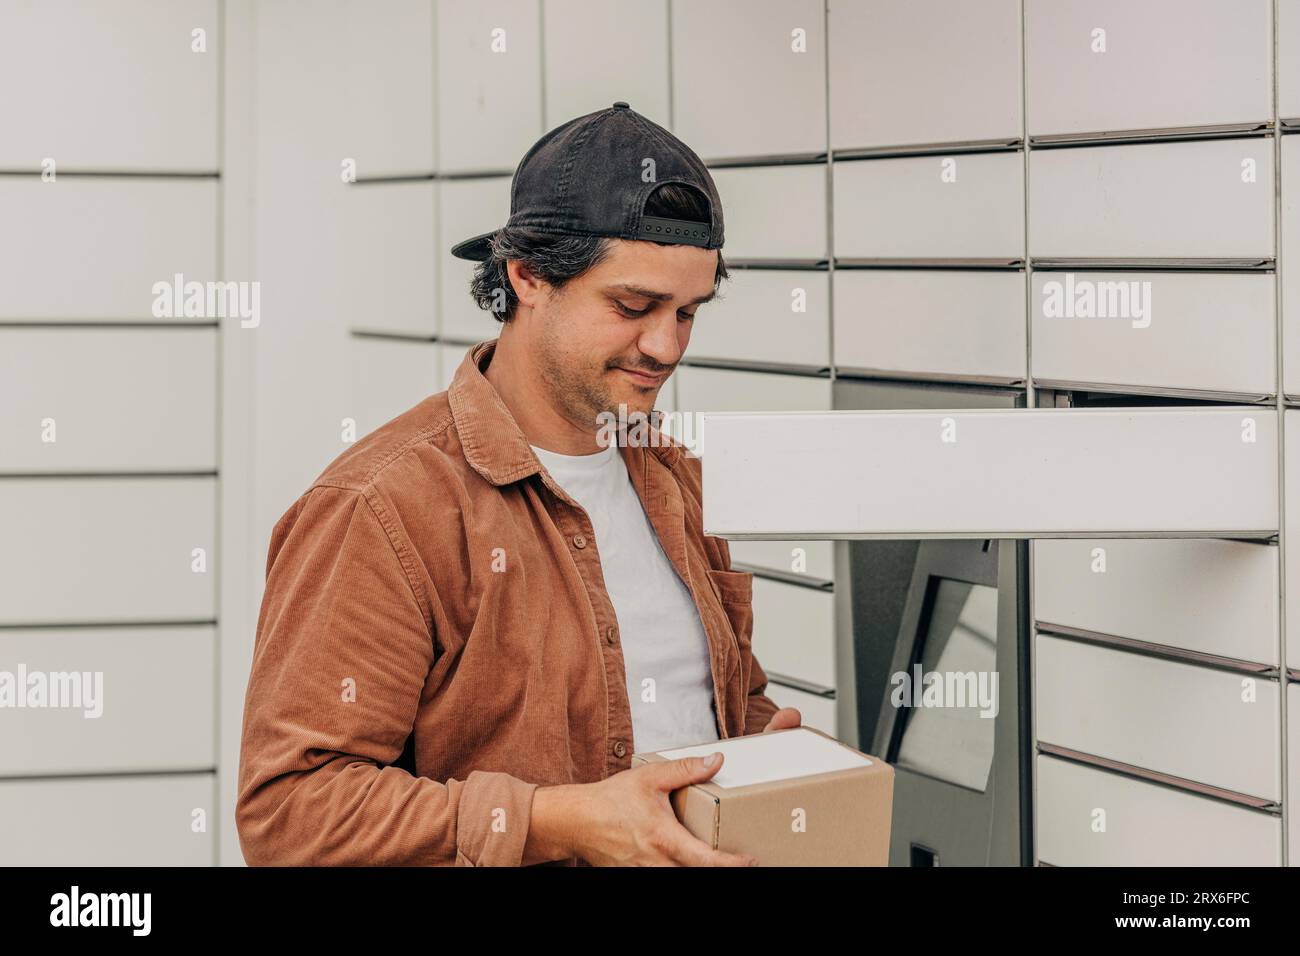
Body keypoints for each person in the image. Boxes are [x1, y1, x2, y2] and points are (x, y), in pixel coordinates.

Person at [236, 101, 800, 867]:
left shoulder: (674, 477)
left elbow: (713, 700)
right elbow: (290, 813)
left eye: (688, 313)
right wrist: (555, 821)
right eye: (632, 307)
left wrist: (764, 758)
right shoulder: (381, 508)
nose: (665, 347)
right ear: (528, 276)